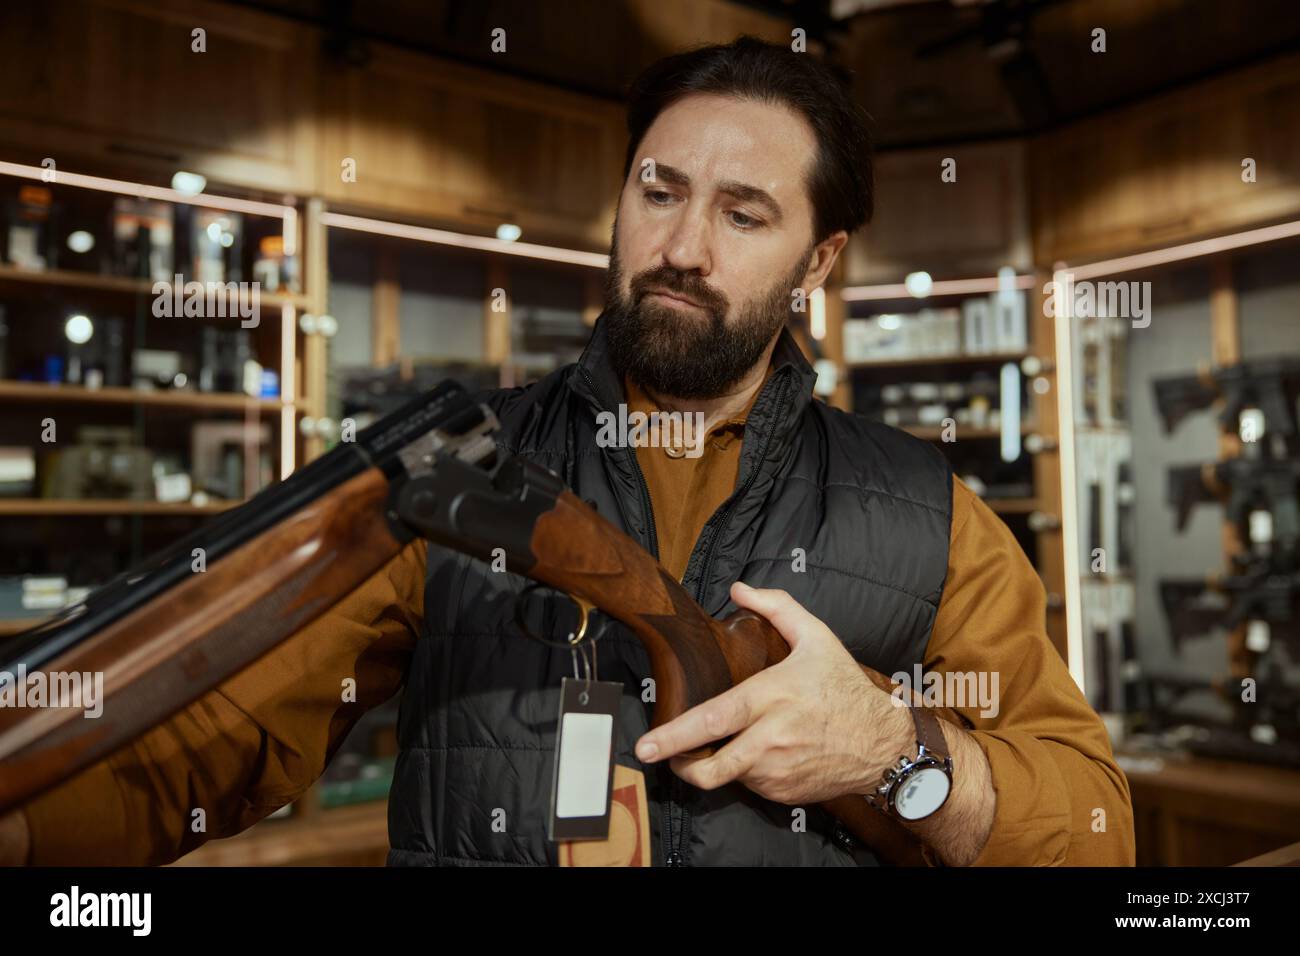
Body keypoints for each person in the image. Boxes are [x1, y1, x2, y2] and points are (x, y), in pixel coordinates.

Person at [0, 37, 1133, 867]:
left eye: (743, 214)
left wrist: (893, 750)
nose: (681, 246)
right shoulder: (459, 472)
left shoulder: (930, 510)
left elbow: (1094, 830)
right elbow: (203, 741)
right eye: (659, 191)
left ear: (819, 261)